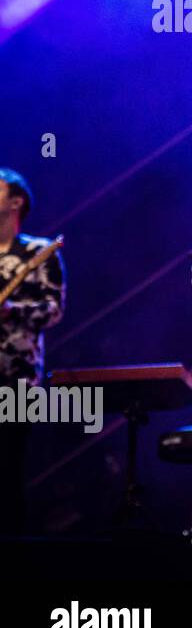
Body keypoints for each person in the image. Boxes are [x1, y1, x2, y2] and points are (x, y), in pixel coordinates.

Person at [0, 168, 66, 536]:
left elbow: (54, 308)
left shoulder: (39, 252)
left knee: (9, 467)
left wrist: (13, 311)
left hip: (17, 377)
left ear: (15, 202)